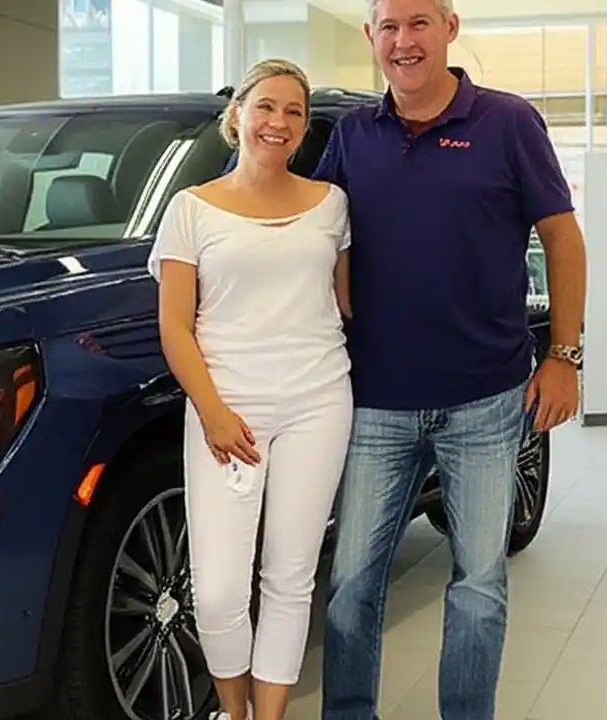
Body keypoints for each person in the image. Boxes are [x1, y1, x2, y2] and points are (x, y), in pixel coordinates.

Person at [313, 1, 587, 719]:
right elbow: (313, 239)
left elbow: (562, 237)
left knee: (478, 585)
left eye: (419, 24)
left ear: (449, 28)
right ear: (371, 37)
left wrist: (562, 354)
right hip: (375, 399)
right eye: (389, 28)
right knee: (350, 585)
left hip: (485, 400)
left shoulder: (507, 122)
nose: (404, 42)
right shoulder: (350, 135)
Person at [149, 58, 354, 720]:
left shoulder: (331, 206)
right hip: (226, 408)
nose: (280, 122)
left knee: (291, 577)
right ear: (237, 115)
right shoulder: (191, 209)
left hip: (318, 401)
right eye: (266, 106)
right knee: (216, 592)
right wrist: (210, 412)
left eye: (295, 112)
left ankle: (267, 717)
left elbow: (350, 303)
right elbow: (176, 327)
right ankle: (233, 709)